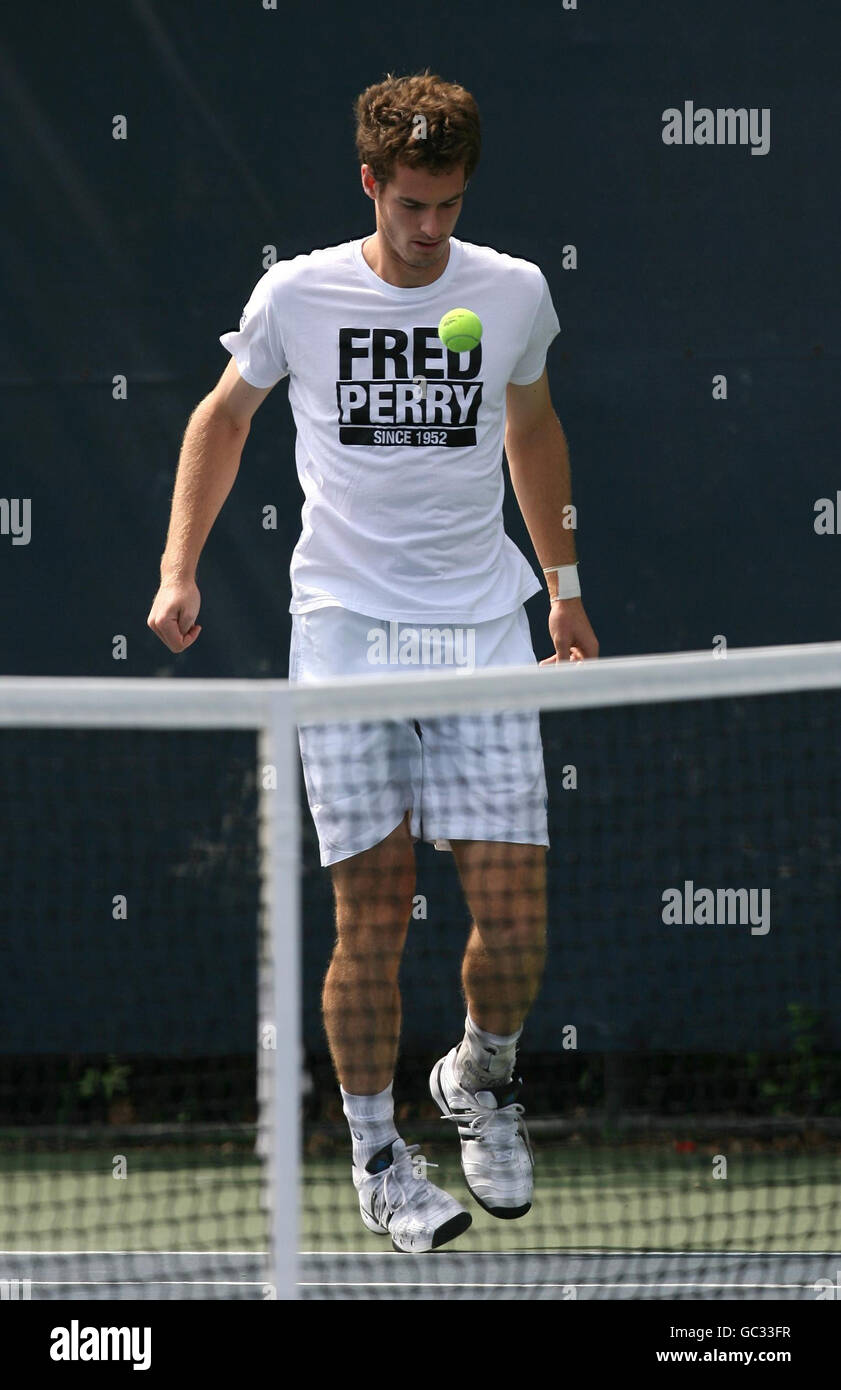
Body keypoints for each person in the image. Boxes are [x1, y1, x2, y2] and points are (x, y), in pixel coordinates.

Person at [148, 69, 598, 1254]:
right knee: (372, 912)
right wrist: (179, 568)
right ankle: (376, 1153)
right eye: (410, 205)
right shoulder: (297, 294)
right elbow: (222, 418)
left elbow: (532, 424)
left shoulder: (510, 293)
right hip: (344, 629)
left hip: (480, 623)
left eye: (447, 204)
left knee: (514, 910)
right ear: (370, 184)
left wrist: (562, 588)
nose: (430, 227)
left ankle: (481, 1077)